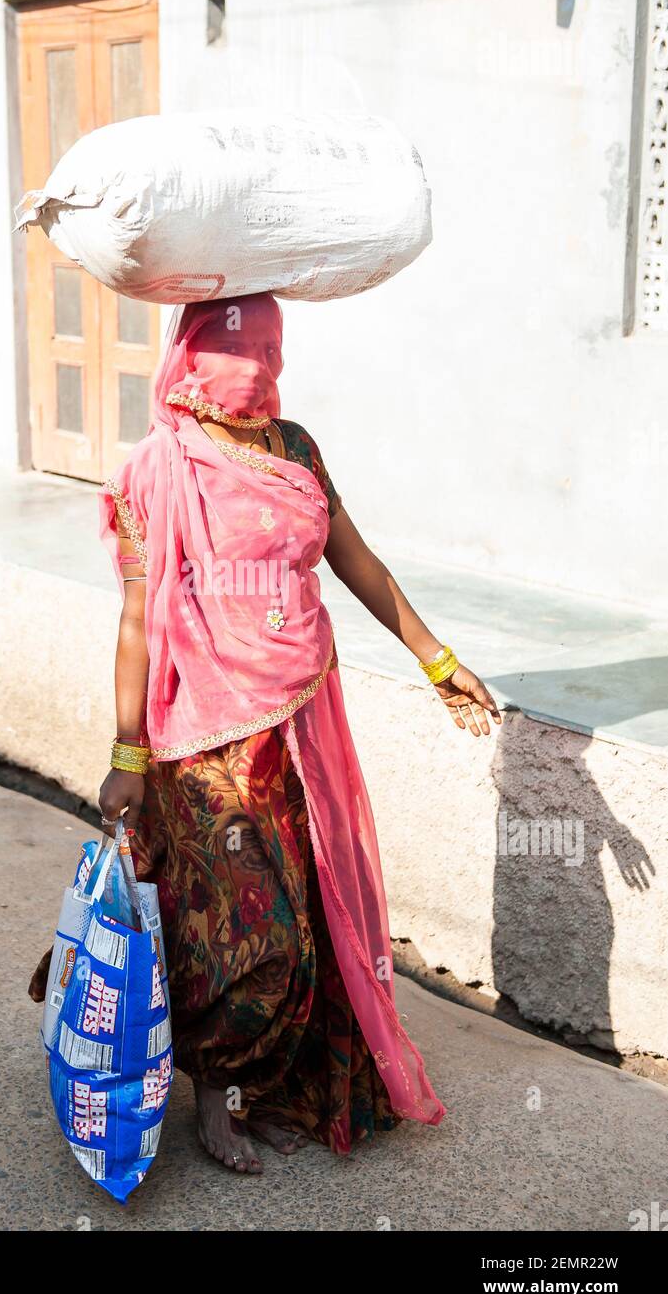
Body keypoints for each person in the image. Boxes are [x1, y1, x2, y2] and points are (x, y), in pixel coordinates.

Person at [30, 292, 501, 1175]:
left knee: (309, 917)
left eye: (268, 351)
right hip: (200, 736)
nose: (253, 368)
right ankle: (215, 1087)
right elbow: (138, 619)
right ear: (192, 355)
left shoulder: (295, 448)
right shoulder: (155, 468)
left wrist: (435, 660)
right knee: (250, 929)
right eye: (233, 350)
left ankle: (263, 1086)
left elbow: (354, 558)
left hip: (298, 724)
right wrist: (124, 754)